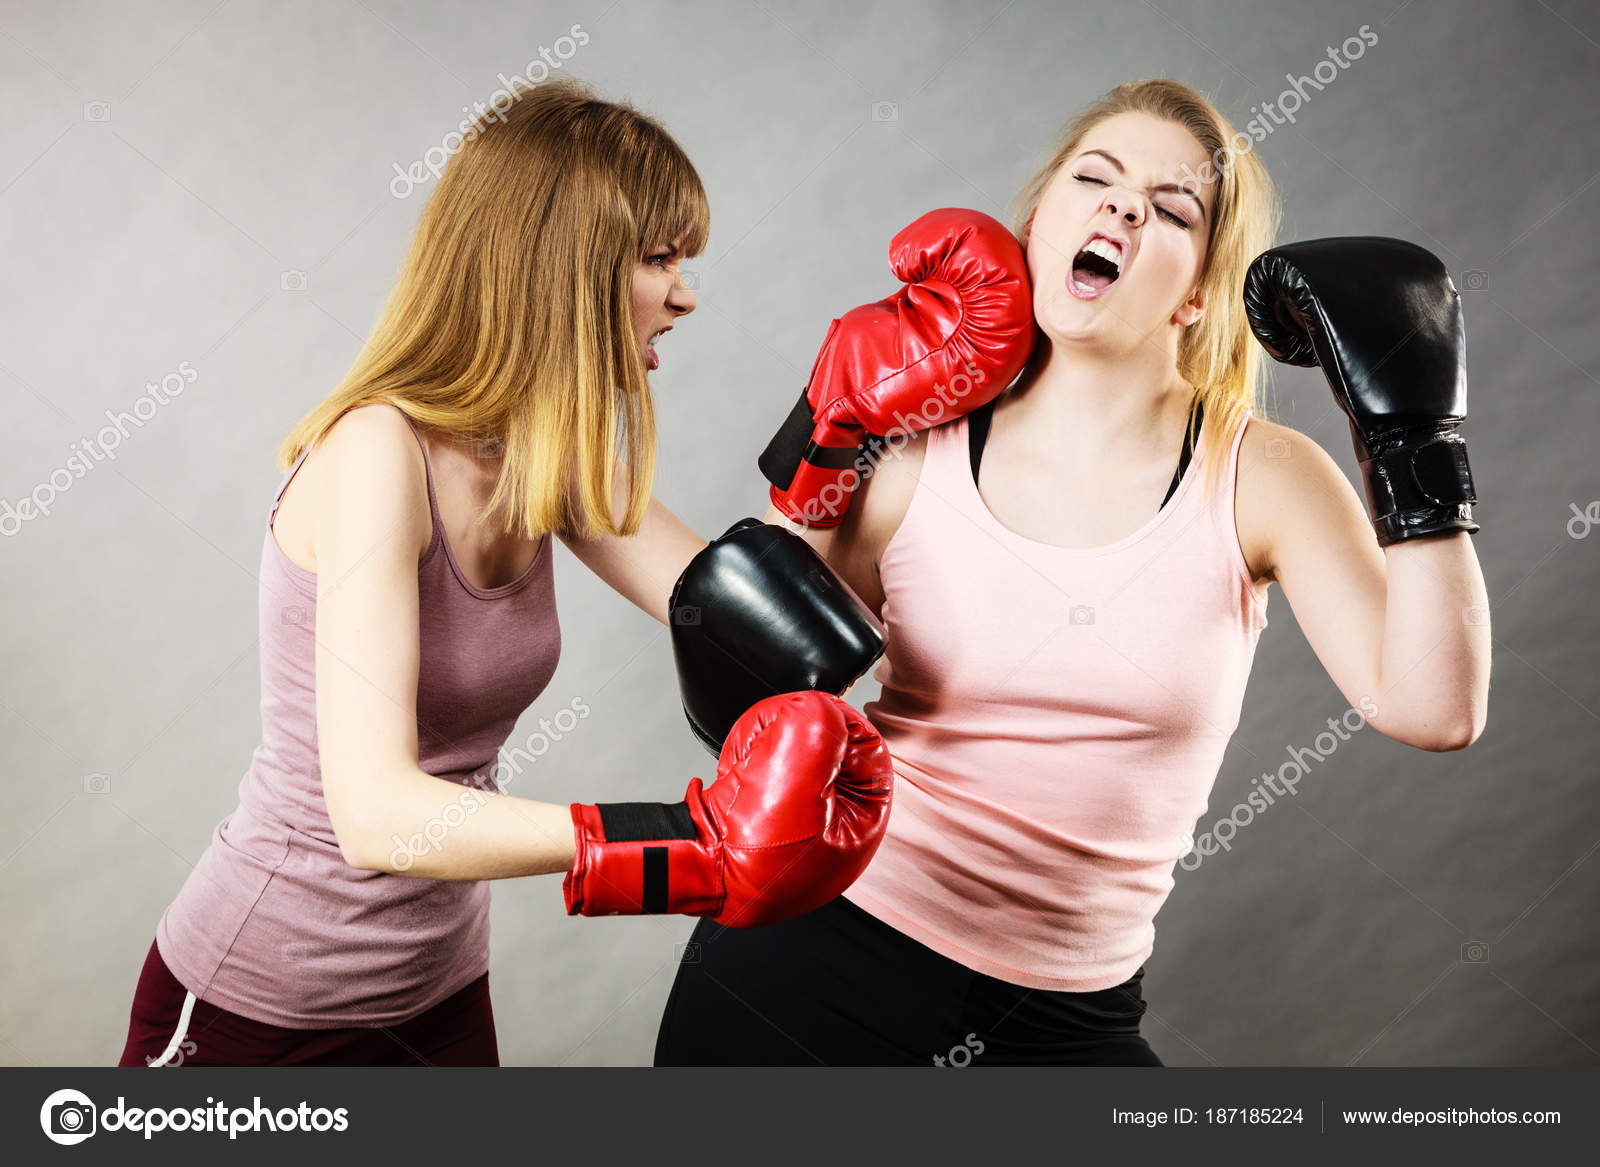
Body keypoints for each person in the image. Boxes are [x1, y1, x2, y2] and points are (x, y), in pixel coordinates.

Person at [654, 78, 1492, 1067]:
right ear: (1036, 226)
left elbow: (1434, 708)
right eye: (1096, 179)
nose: (1124, 207)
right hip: (807, 955)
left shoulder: (1262, 477)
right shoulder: (920, 445)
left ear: (1197, 293)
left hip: (1062, 1018)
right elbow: (749, 663)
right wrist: (826, 423)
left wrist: (1413, 441)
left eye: (1171, 208)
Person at [116, 78, 895, 1068]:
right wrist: (680, 843)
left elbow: (776, 633)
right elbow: (375, 816)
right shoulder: (377, 454)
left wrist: (839, 437)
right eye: (658, 259)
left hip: (437, 991)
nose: (686, 294)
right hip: (260, 1007)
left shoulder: (542, 454)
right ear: (560, 266)